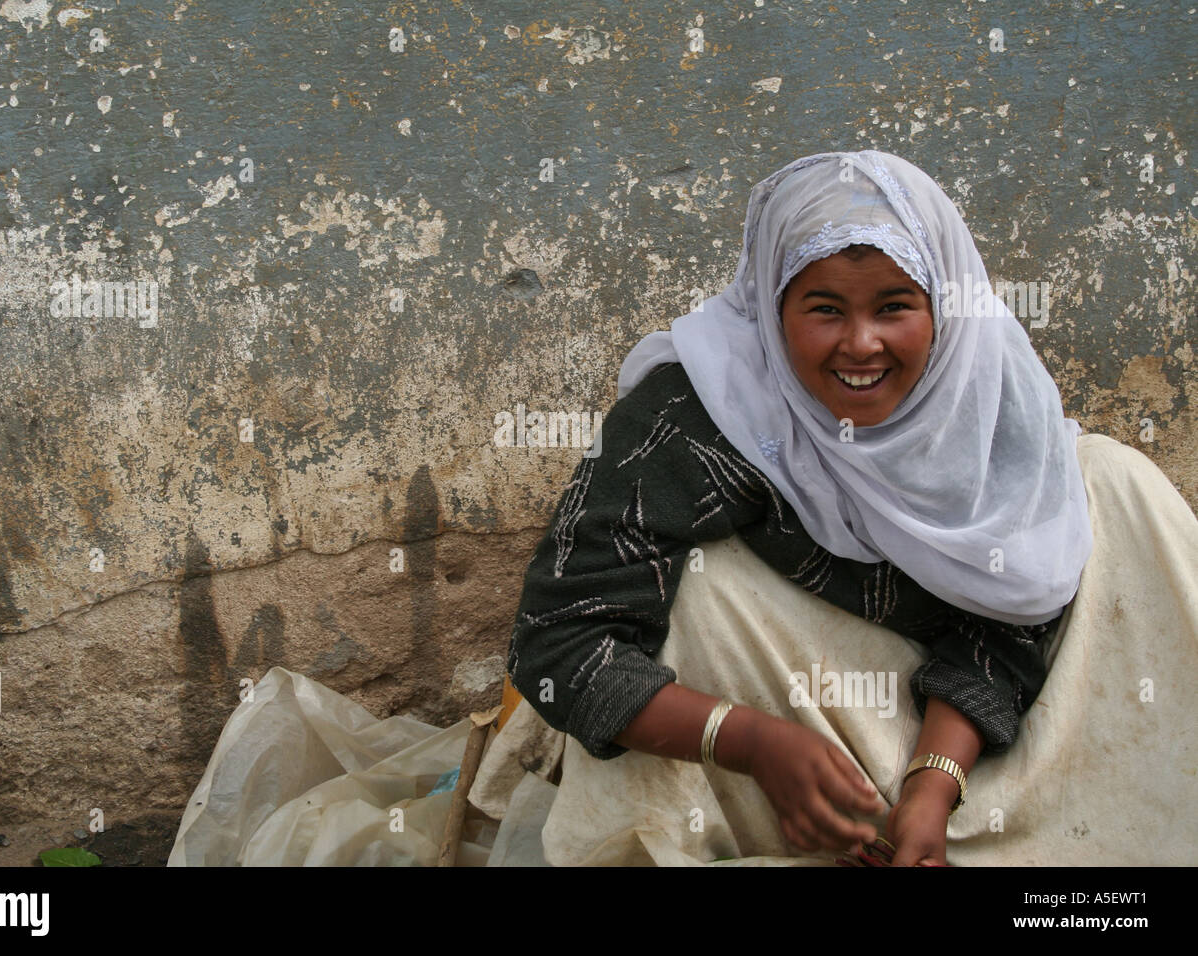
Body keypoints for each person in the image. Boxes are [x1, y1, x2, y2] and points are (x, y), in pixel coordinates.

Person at [472, 149, 1198, 866]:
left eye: (895, 307)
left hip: (975, 754)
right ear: (772, 307)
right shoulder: (693, 415)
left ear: (942, 306)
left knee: (1112, 480)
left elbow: (1009, 618)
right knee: (699, 584)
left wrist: (932, 785)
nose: (862, 344)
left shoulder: (987, 401)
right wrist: (750, 741)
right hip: (772, 762)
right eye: (824, 309)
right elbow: (558, 645)